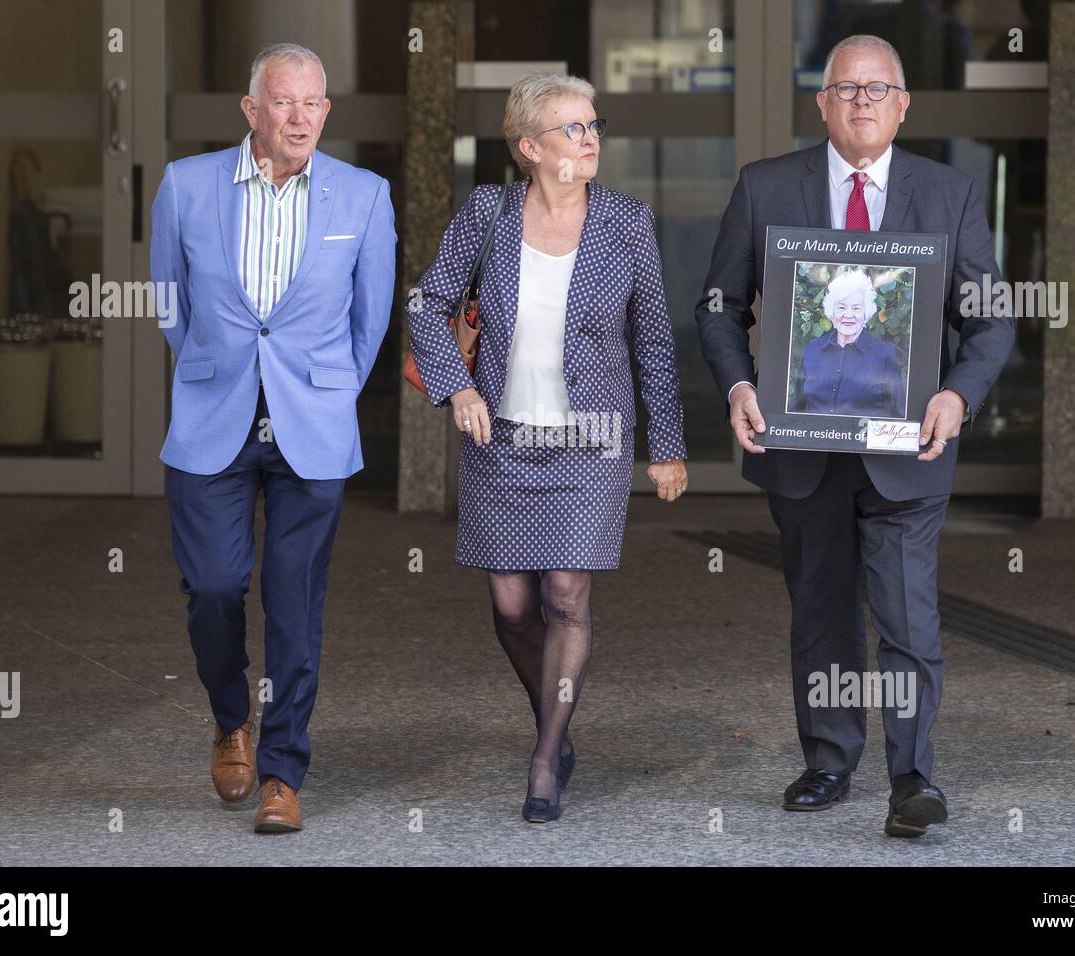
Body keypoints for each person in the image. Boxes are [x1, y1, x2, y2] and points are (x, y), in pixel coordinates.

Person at [696, 35, 1014, 837]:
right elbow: (718, 307)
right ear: (822, 102)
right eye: (847, 88)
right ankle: (829, 759)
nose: (863, 101)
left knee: (908, 619)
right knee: (822, 611)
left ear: (904, 104)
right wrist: (738, 385)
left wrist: (956, 395)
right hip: (799, 448)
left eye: (879, 89)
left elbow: (989, 319)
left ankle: (912, 779)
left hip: (910, 451)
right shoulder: (766, 188)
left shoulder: (948, 194)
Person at [407, 71, 688, 824]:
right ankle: (554, 721)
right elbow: (427, 304)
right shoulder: (489, 213)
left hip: (590, 443)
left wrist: (666, 445)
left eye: (593, 125)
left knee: (566, 594)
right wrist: (456, 389)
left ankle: (545, 757)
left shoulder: (626, 222)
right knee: (510, 607)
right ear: (530, 146)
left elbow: (653, 341)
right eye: (572, 128)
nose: (590, 138)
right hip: (501, 436)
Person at [150, 43, 396, 833]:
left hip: (312, 426)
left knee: (295, 599)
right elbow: (168, 303)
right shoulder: (186, 187)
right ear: (251, 111)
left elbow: (370, 323)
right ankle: (231, 720)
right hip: (210, 418)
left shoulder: (363, 196)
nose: (300, 117)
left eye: (313, 103)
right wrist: (217, 372)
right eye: (283, 103)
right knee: (216, 586)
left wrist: (321, 396)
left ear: (327, 111)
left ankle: (283, 773)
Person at [793, 269, 906, 418]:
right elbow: (796, 408)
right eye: (841, 307)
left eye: (856, 308)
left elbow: (897, 413)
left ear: (866, 313)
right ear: (831, 312)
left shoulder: (884, 354)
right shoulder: (814, 348)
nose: (848, 315)